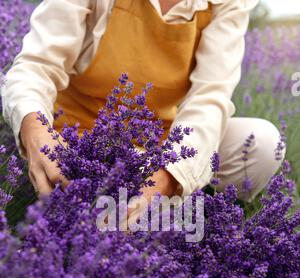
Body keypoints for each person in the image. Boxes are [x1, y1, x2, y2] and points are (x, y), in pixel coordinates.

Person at [2, 0, 285, 202]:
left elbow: (210, 98)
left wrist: (169, 176)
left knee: (262, 144)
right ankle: (163, 213)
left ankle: (193, 211)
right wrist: (36, 132)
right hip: (73, 138)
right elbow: (35, 67)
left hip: (157, 146)